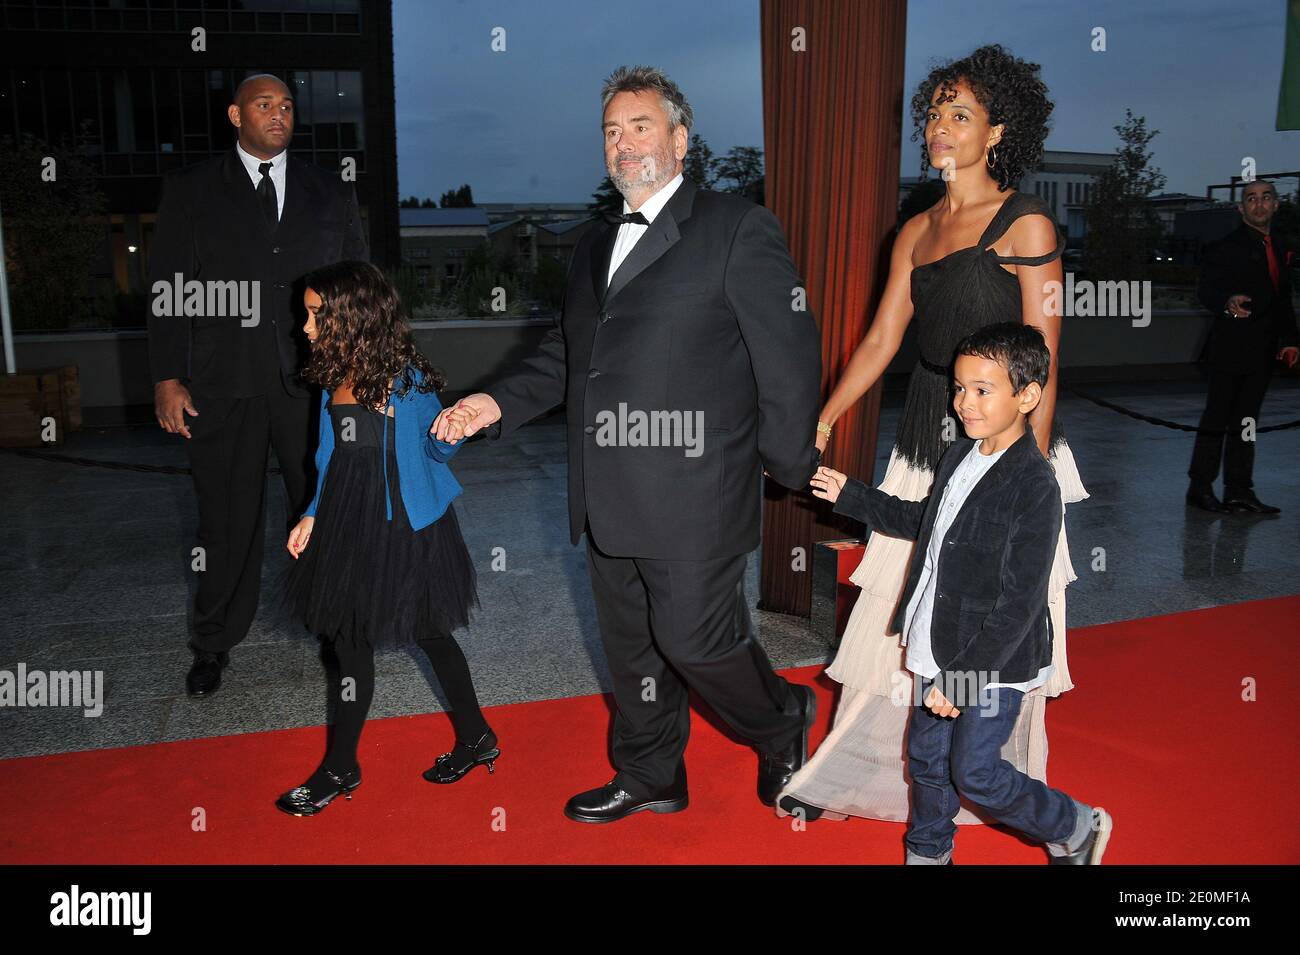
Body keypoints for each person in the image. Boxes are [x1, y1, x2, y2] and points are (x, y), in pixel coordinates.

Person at [434, 65, 822, 823]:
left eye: (639, 126)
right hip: (606, 491)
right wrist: (492, 401)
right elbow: (567, 358)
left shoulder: (735, 227)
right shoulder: (590, 245)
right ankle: (651, 773)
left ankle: (782, 722)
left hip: (695, 492)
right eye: (611, 131)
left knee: (695, 641)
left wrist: (787, 458)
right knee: (632, 650)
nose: (622, 143)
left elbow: (788, 350)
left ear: (681, 138)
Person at [777, 44, 1088, 824]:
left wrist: (1031, 471)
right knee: (896, 603)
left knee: (982, 605)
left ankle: (984, 771)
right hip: (924, 428)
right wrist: (826, 412)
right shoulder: (915, 230)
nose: (939, 128)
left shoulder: (1028, 222)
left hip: (1001, 436)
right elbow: (882, 340)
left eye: (960, 115)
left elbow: (1045, 354)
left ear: (996, 132)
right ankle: (854, 771)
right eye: (934, 114)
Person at [811, 322, 1112, 864]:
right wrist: (854, 497)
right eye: (958, 388)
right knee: (926, 758)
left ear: (1027, 395)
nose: (963, 403)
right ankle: (928, 849)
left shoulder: (1034, 485)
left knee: (974, 771)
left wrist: (962, 676)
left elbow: (1019, 604)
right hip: (935, 640)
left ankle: (1073, 823)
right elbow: (927, 520)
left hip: (992, 659)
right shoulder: (960, 456)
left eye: (981, 390)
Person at [147, 73, 368, 697]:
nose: (279, 114)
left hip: (314, 381)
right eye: (264, 105)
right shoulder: (191, 191)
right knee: (224, 520)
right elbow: (168, 291)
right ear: (234, 115)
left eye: (287, 105)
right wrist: (168, 376)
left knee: (323, 509)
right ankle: (213, 642)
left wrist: (363, 371)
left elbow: (361, 284)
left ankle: (337, 630)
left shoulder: (330, 191)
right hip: (222, 381)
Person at [273, 262, 491, 817]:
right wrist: (313, 514)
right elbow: (330, 455)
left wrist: (451, 431)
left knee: (431, 633)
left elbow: (438, 448)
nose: (305, 327)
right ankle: (341, 765)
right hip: (349, 517)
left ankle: (477, 737)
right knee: (349, 639)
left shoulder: (409, 381)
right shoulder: (335, 374)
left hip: (407, 526)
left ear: (352, 317)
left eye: (315, 315)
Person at [1186, 178, 1299, 515]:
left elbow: (1282, 301)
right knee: (1216, 419)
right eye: (1251, 199)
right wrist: (1226, 301)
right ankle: (1200, 487)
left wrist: (1292, 341)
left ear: (1276, 204)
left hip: (1262, 355)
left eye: (1266, 197)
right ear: (1241, 208)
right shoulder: (1225, 247)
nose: (1259, 204)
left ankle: (1239, 490)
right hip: (1228, 351)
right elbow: (1204, 291)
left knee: (1247, 422)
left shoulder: (1280, 247)